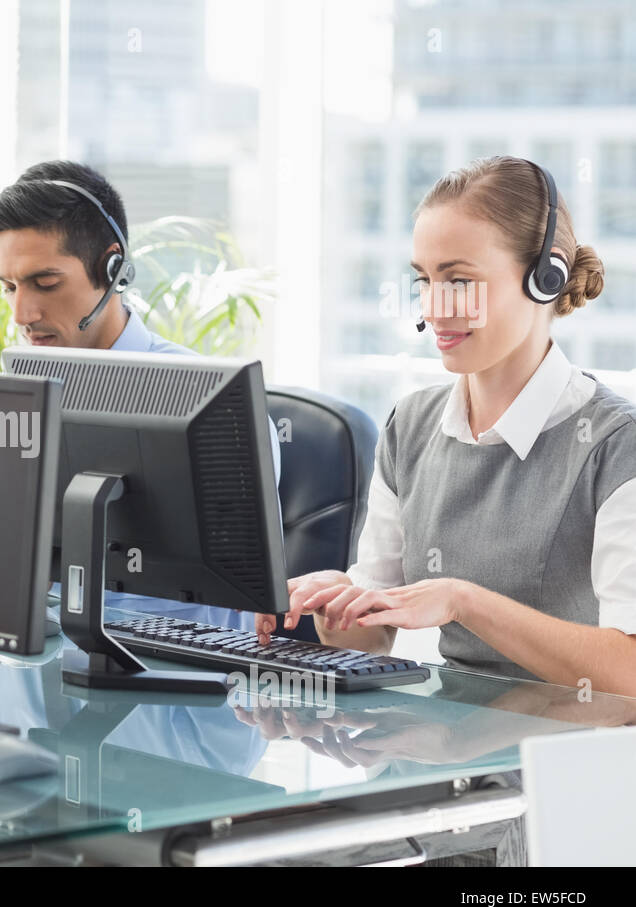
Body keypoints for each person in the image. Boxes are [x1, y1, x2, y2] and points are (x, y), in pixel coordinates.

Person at [256, 156, 636, 699]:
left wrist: (464, 600)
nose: (434, 309)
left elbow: (630, 674)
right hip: (444, 747)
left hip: (560, 766)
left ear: (545, 278)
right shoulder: (411, 426)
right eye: (424, 280)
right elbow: (370, 642)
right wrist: (338, 607)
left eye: (458, 280)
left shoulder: (617, 445)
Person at [0, 159, 281, 632]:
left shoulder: (211, 405)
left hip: (172, 684)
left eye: (45, 283)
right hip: (39, 668)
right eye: (9, 287)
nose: (23, 312)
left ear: (112, 267)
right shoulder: (12, 405)